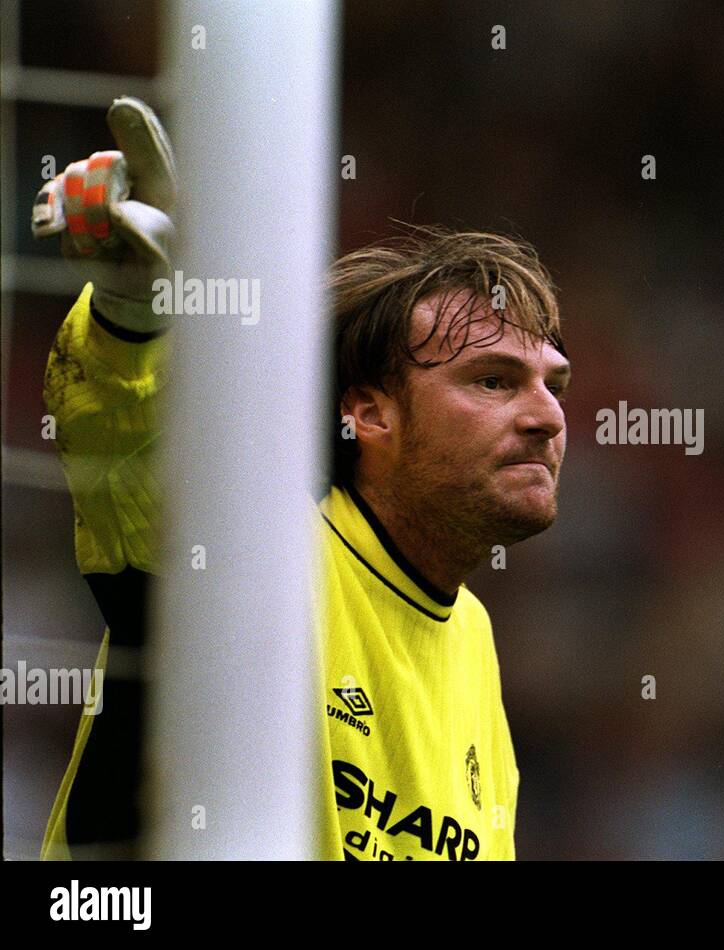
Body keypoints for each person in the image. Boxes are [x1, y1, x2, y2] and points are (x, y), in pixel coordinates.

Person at [36, 98, 570, 861]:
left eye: (556, 384)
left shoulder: (474, 639)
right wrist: (130, 316)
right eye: (493, 381)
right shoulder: (259, 550)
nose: (547, 416)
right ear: (369, 413)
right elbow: (128, 447)